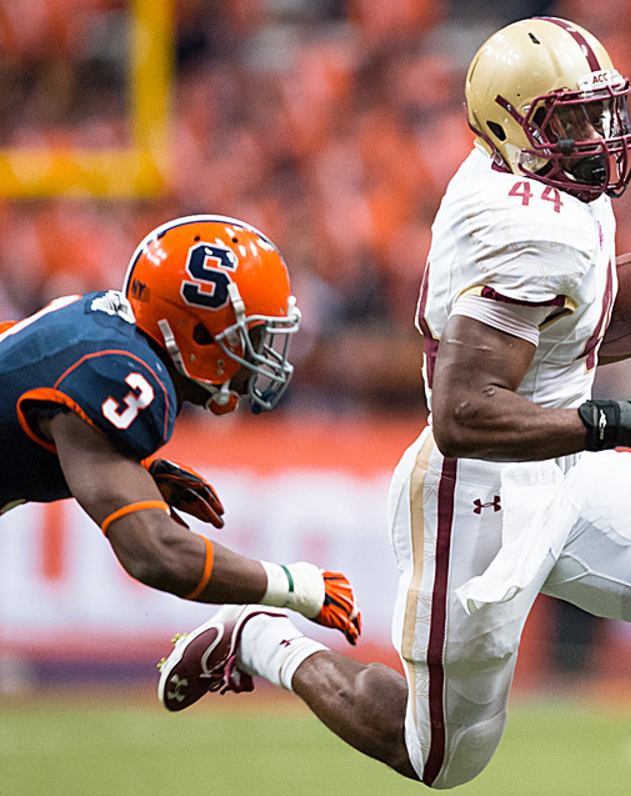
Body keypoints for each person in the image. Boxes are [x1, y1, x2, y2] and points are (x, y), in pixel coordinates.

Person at [159, 18, 631, 795]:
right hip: (482, 489)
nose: (597, 136)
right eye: (570, 119)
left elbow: (570, 331)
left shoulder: (556, 191)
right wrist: (630, 424)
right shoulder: (525, 224)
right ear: (510, 123)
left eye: (600, 113)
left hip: (568, 464)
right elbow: (463, 415)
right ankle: (261, 640)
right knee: (437, 758)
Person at [0, 214, 362, 670]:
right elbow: (155, 553)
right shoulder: (118, 372)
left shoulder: (106, 329)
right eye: (253, 335)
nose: (264, 355)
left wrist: (138, 471)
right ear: (201, 331)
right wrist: (296, 586)